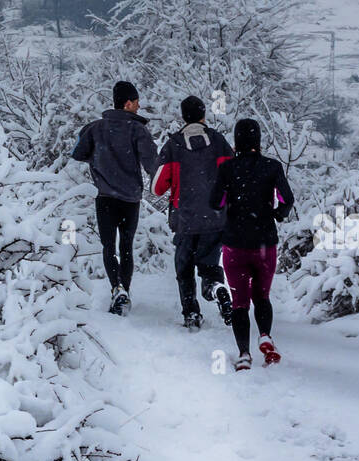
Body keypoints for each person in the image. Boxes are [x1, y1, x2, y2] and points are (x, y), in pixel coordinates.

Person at [209, 118, 295, 371]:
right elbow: (286, 199)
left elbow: (215, 202)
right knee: (262, 296)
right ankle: (266, 336)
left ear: (236, 141)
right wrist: (276, 214)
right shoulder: (272, 167)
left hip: (235, 243)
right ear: (258, 140)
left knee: (239, 302)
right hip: (264, 243)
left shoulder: (227, 169)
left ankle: (244, 354)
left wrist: (230, 204)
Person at [71, 81, 158, 315]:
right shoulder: (138, 130)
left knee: (108, 246)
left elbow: (77, 153)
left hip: (105, 197)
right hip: (130, 198)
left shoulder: (94, 128)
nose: (139, 108)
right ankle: (125, 293)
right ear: (127, 103)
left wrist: (99, 160)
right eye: (137, 103)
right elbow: (153, 165)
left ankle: (116, 289)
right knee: (126, 246)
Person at [153, 95, 235, 330]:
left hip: (185, 219)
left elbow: (156, 187)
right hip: (216, 218)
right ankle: (217, 288)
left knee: (184, 268)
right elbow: (233, 175)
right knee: (209, 265)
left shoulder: (174, 145)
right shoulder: (219, 142)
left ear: (183, 116)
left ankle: (191, 314)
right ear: (203, 116)